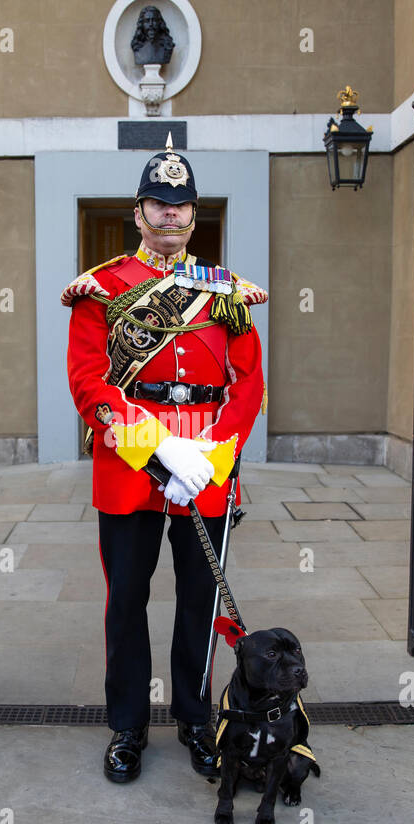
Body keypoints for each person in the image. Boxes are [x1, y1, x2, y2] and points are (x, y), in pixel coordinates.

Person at [63, 142, 267, 783]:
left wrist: (215, 452)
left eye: (182, 205)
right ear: (139, 211)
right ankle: (127, 726)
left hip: (206, 471)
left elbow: (249, 382)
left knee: (199, 603)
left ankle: (195, 718)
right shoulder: (104, 288)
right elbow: (89, 386)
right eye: (160, 202)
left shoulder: (225, 293)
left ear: (194, 213)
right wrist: (158, 447)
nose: (171, 215)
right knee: (126, 599)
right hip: (131, 471)